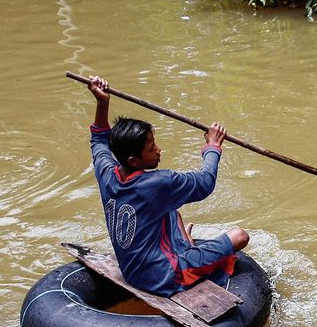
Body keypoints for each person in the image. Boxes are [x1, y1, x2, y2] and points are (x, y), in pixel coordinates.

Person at [86, 75, 249, 297]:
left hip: (131, 271)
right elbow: (205, 183)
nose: (159, 150)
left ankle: (184, 245)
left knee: (172, 211)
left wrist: (102, 102)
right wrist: (212, 147)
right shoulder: (159, 183)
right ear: (134, 161)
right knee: (239, 236)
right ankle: (186, 250)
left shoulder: (107, 172)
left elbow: (98, 140)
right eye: (152, 147)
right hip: (164, 276)